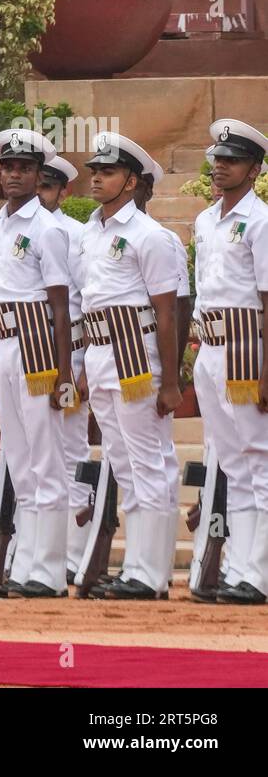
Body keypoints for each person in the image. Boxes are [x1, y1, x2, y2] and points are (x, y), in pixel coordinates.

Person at [79, 131, 182, 600]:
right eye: (95, 171)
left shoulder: (149, 236)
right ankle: (137, 568)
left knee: (147, 461)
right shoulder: (89, 232)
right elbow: (88, 301)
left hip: (135, 351)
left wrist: (171, 381)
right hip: (100, 349)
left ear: (131, 181)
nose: (97, 178)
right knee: (122, 462)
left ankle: (149, 572)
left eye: (109, 172)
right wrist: (84, 364)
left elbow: (167, 311)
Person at [0, 129, 74, 598]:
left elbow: (60, 304)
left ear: (39, 175)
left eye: (24, 168)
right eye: (8, 167)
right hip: (4, 341)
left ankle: (50, 570)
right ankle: (26, 564)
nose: (15, 174)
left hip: (38, 342)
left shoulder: (48, 227)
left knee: (45, 457)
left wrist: (64, 372)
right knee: (19, 460)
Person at [190, 119, 268, 604]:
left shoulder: (261, 221)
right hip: (211, 346)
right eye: (217, 159)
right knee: (234, 466)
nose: (220, 167)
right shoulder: (205, 220)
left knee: (259, 460)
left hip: (246, 346)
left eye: (232, 160)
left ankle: (258, 574)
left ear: (254, 169)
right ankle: (241, 570)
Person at [34, 154, 93, 581]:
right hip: (31, 356)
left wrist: (83, 366)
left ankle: (76, 551)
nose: (42, 194)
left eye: (49, 187)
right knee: (37, 453)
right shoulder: (17, 228)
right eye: (39, 185)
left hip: (68, 355)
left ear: (63, 191)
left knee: (72, 449)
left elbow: (90, 301)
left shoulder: (77, 234)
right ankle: (41, 549)